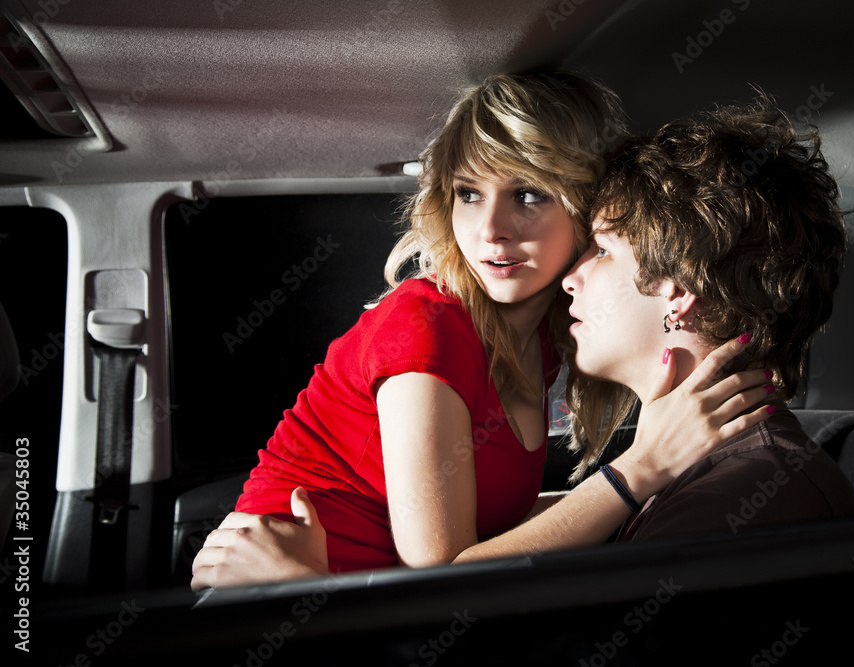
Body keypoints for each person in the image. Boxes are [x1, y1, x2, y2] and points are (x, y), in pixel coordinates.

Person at [190, 73, 774, 590]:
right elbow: (444, 575)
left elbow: (488, 538)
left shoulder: (545, 344)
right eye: (468, 194)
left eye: (526, 195)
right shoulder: (427, 325)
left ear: (586, 207)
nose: (491, 230)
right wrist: (640, 470)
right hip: (267, 603)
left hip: (356, 613)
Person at [560, 95, 854, 542]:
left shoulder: (748, 495)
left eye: (603, 251)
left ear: (678, 290)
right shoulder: (701, 466)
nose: (570, 278)